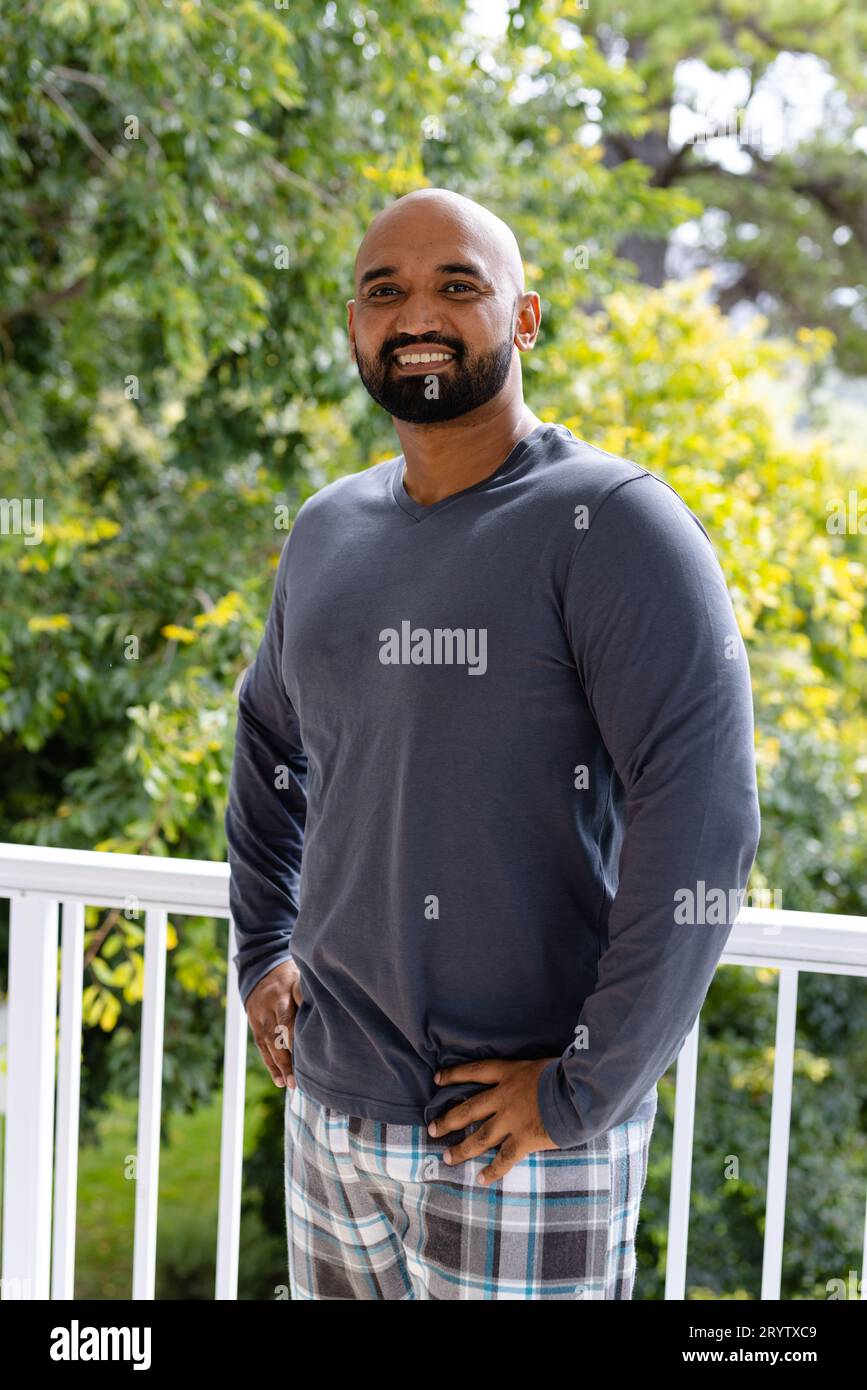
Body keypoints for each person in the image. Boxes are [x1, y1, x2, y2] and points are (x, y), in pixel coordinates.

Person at [224, 187, 761, 1300]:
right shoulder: (326, 530)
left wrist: (583, 1089)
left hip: (521, 1141)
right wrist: (262, 943)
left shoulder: (615, 523)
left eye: (457, 285)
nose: (416, 310)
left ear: (523, 319)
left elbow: (701, 823)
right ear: (358, 329)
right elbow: (269, 739)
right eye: (386, 291)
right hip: (328, 1113)